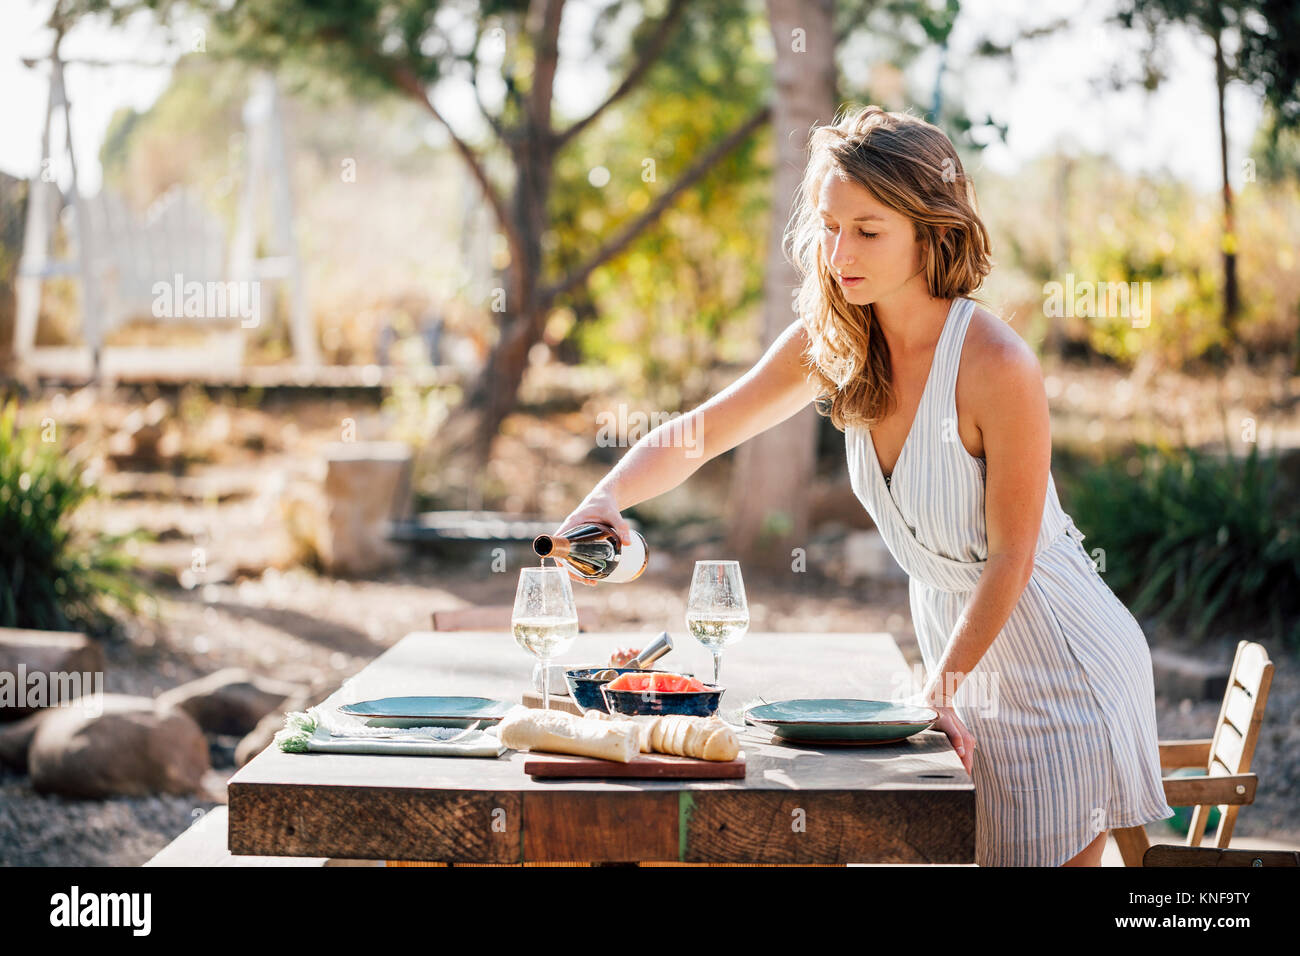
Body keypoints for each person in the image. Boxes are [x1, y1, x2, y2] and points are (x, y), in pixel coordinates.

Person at [556, 104, 1173, 866]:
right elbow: (702, 432)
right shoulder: (834, 337)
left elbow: (1014, 557)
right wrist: (607, 497)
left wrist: (938, 690)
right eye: (828, 225)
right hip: (958, 656)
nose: (838, 251)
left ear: (931, 232)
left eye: (868, 230)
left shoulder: (996, 365)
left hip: (1060, 666)